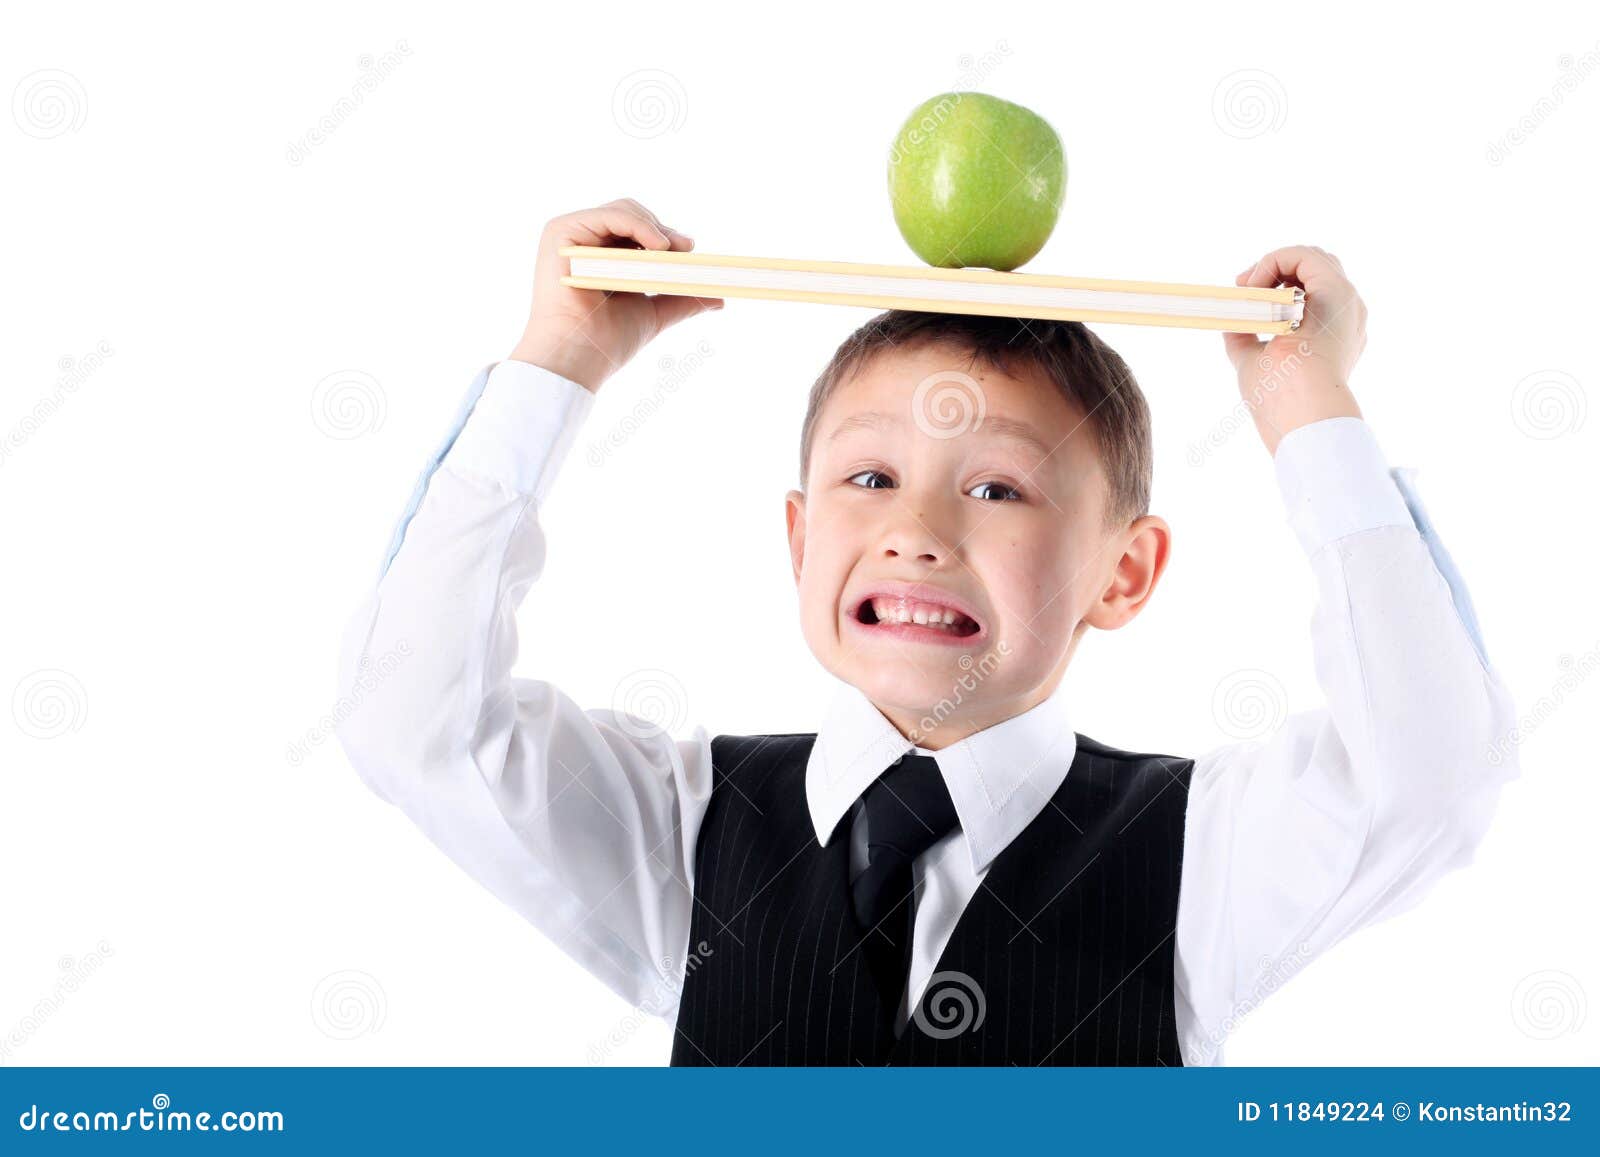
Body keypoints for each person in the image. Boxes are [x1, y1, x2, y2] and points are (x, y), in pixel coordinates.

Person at [334, 198, 1517, 1065]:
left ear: (1124, 571)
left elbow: (1424, 771)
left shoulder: (1201, 856)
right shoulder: (688, 830)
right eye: (868, 476)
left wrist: (1307, 408)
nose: (916, 529)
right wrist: (560, 362)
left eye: (998, 488)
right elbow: (414, 720)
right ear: (799, 540)